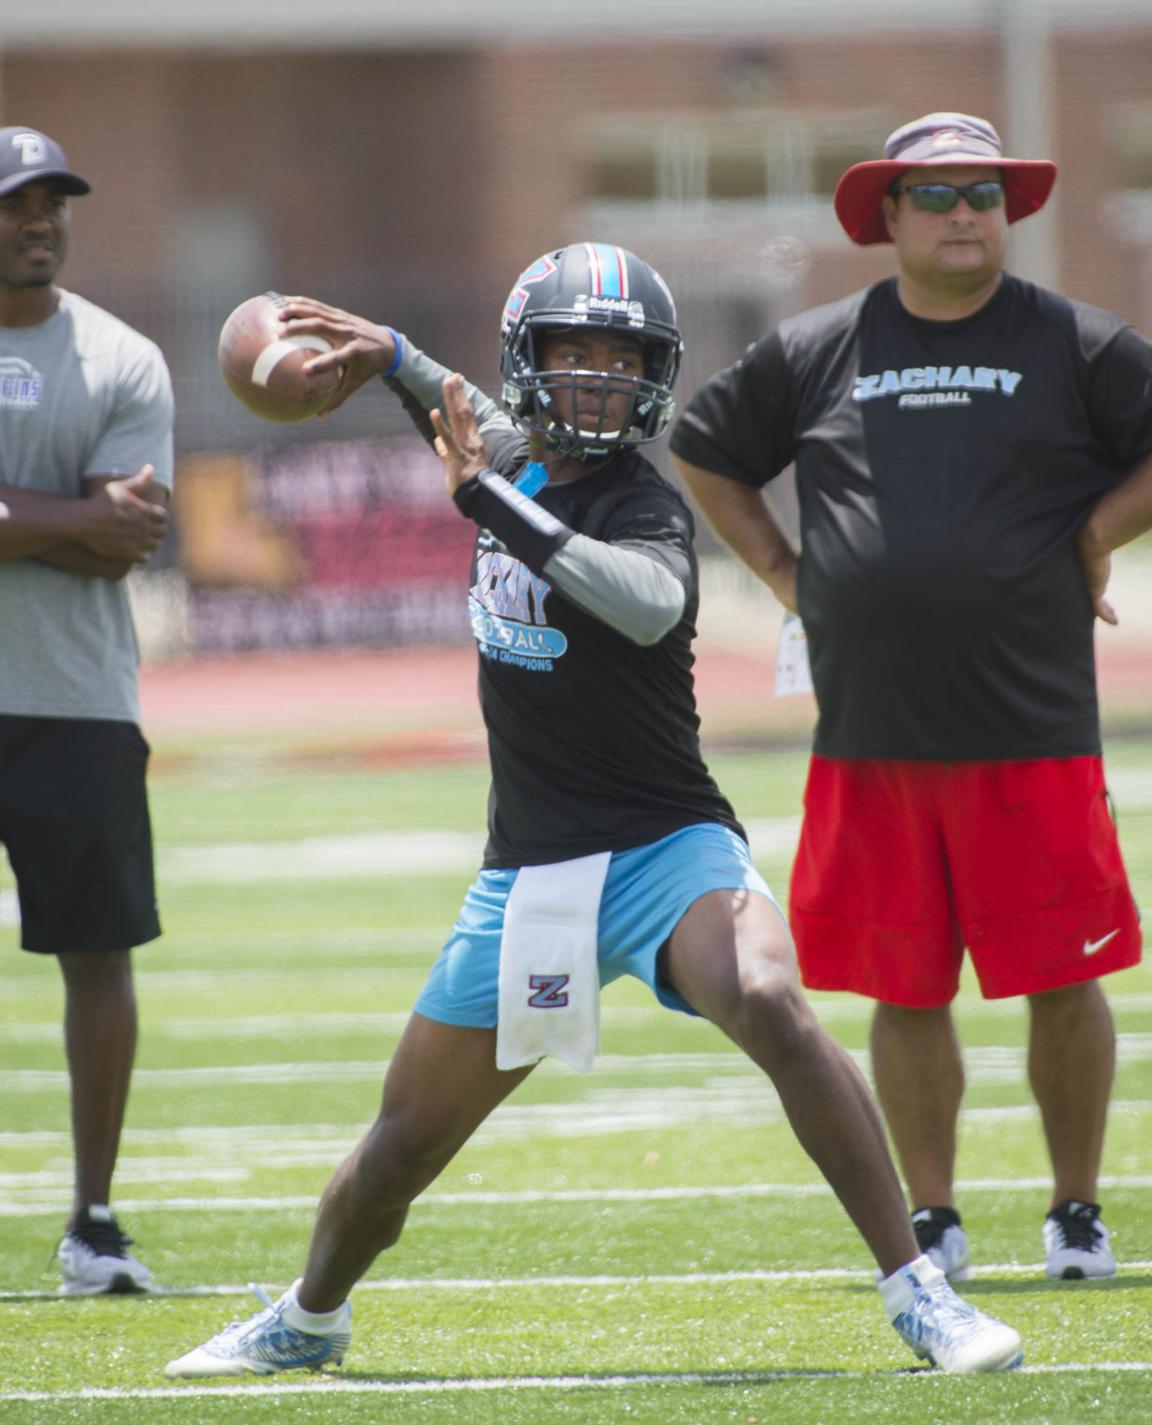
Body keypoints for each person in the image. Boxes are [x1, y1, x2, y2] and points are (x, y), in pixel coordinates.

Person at [166, 242, 1020, 1379]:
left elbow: (644, 599)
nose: (602, 379)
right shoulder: (511, 455)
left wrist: (485, 499)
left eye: (624, 360)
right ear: (529, 360)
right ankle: (309, 1316)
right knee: (403, 1143)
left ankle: (919, 1291)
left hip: (667, 846)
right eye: (576, 351)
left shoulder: (637, 501)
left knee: (770, 997)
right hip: (531, 869)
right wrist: (393, 353)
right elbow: (455, 407)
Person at [671, 112, 1152, 1284]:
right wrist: (783, 572)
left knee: (1063, 976)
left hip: (1032, 729)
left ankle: (1076, 1212)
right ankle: (932, 1217)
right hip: (872, 732)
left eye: (982, 193)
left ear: (1008, 212)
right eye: (933, 195)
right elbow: (705, 450)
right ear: (887, 214)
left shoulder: (1078, 342)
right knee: (904, 987)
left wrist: (1095, 534)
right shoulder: (816, 346)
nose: (961, 213)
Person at [0, 126, 173, 1294]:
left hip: (80, 706)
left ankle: (93, 1220)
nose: (40, 220)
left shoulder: (124, 357)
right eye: (13, 203)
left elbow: (121, 547)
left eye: (55, 202)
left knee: (97, 958)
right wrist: (76, 514)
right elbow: (95, 525)